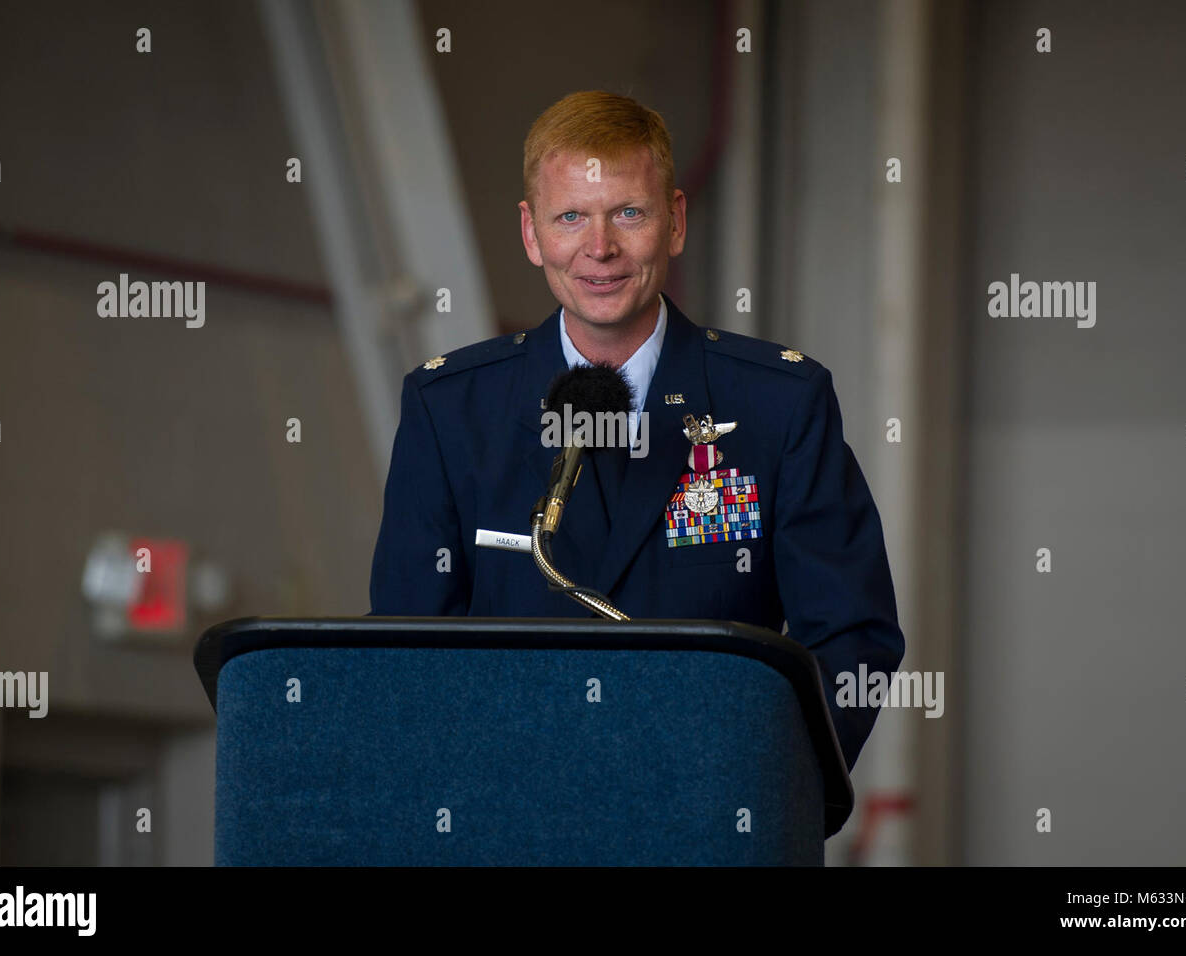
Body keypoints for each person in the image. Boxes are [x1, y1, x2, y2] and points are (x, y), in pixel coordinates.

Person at [369, 90, 904, 774]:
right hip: (506, 818)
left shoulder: (779, 403)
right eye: (571, 217)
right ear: (532, 234)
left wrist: (758, 790)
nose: (601, 249)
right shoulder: (449, 409)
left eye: (629, 212)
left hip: (710, 818)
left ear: (674, 222)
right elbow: (405, 651)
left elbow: (851, 635)